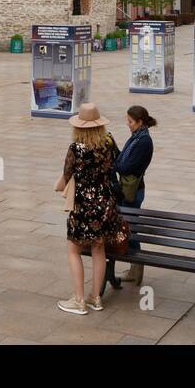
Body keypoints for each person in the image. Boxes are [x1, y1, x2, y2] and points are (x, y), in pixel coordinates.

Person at [54, 103, 122, 315]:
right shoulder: (108, 143)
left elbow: (66, 176)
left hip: (84, 205)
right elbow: (115, 166)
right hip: (105, 204)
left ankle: (79, 300)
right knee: (98, 249)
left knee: (74, 250)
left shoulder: (76, 148)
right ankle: (96, 298)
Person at [106, 105, 156, 289]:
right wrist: (113, 146)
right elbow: (122, 160)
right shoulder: (136, 137)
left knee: (131, 229)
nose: (128, 124)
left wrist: (112, 164)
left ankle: (137, 268)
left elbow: (126, 167)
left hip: (133, 191)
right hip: (129, 190)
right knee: (128, 227)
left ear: (140, 122)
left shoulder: (143, 142)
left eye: (130, 121)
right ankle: (134, 268)